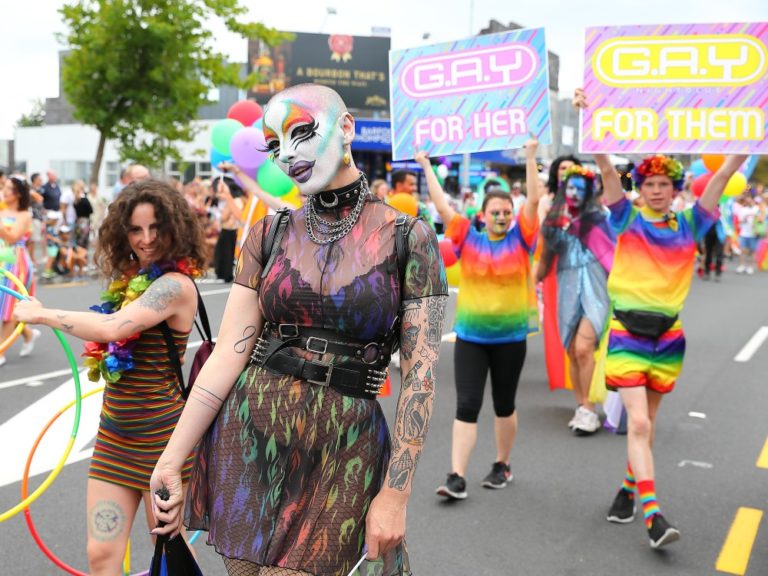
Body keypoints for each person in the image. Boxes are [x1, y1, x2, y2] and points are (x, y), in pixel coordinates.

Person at [149, 84, 447, 576]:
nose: (287, 155)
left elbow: (421, 379)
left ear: (346, 128)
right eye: (273, 145)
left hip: (344, 450)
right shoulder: (267, 233)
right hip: (250, 436)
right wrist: (170, 460)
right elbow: (228, 354)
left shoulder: (409, 238)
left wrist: (395, 494)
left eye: (301, 133)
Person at [575, 87, 748, 550]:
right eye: (648, 184)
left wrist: (755, 120)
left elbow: (727, 169)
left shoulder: (693, 224)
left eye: (663, 185)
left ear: (675, 189)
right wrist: (589, 118)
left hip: (669, 338)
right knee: (640, 426)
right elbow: (607, 167)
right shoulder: (624, 219)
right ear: (640, 188)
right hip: (627, 333)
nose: (655, 191)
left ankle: (628, 491)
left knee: (646, 424)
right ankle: (654, 518)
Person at [12, 179, 207, 574]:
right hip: (115, 438)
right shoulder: (133, 280)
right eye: (136, 229)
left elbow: (114, 329)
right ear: (123, 232)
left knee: (168, 552)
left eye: (157, 228)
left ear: (176, 228)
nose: (147, 239)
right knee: (101, 555)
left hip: (162, 445)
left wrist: (42, 314)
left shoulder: (175, 286)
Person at [417, 138, 542, 501]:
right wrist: (426, 165)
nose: (502, 215)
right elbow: (442, 205)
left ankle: (502, 464)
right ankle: (456, 475)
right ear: (483, 215)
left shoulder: (523, 239)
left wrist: (531, 156)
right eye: (495, 211)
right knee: (466, 405)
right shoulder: (467, 238)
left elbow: (533, 201)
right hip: (470, 338)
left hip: (510, 339)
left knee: (504, 404)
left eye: (507, 210)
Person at [541, 163, 615, 434]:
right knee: (572, 351)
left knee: (584, 348)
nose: (573, 193)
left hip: (596, 288)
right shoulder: (556, 220)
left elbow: (614, 257)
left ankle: (590, 409)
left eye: (579, 189)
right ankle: (582, 405)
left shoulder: (601, 218)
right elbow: (546, 257)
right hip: (568, 287)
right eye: (569, 187)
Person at [0, 177, 41, 366]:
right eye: (4, 187)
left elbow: (12, 237)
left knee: (9, 306)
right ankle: (29, 334)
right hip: (1, 260)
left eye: (9, 189)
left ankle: (1, 351)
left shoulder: (24, 215)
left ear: (18, 194)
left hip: (16, 263)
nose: (5, 191)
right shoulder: (2, 209)